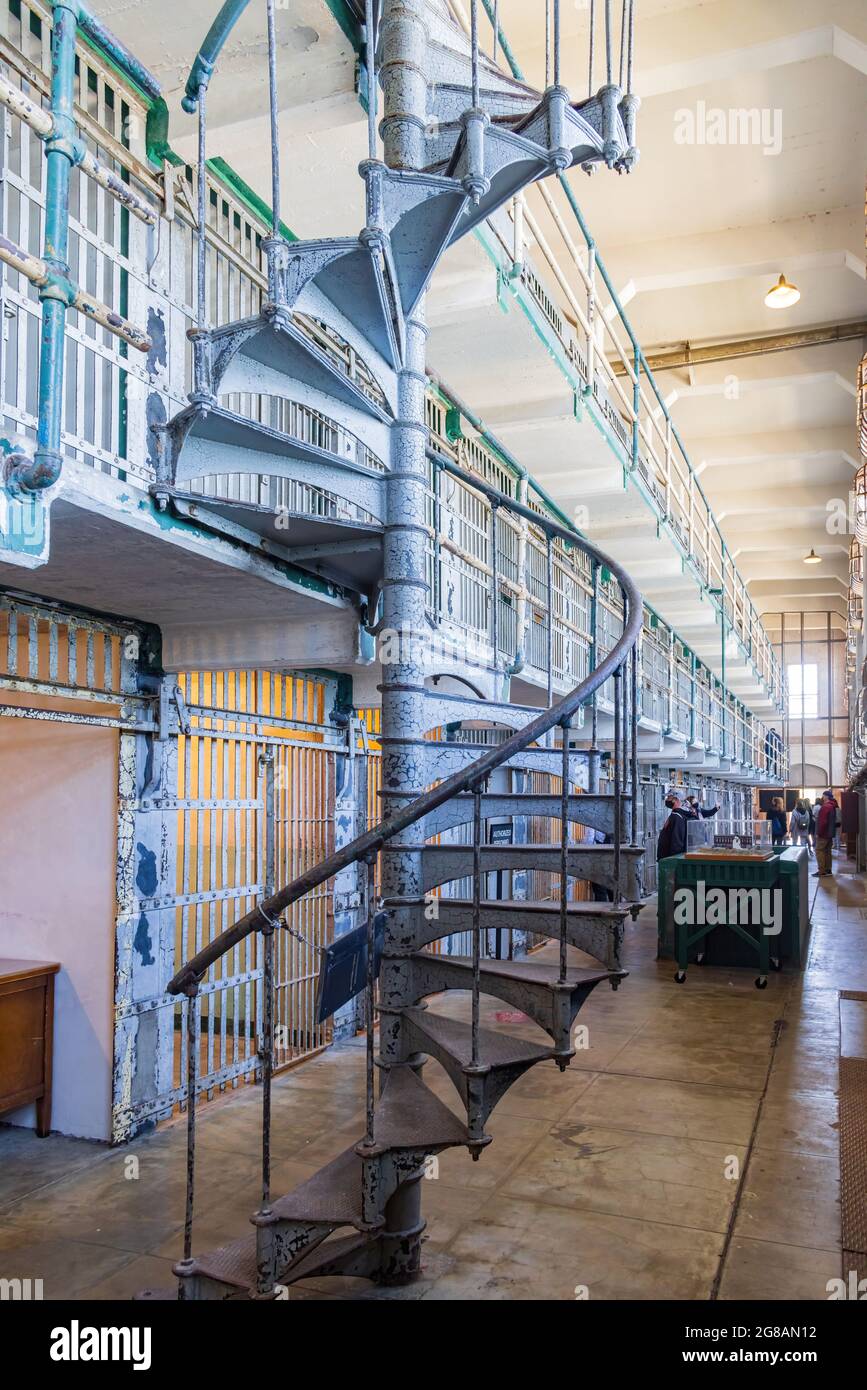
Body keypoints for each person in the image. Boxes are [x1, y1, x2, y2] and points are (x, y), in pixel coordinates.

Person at [656, 789, 691, 861]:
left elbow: (677, 841)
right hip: (666, 858)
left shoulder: (677, 816)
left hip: (670, 859)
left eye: (669, 797)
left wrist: (672, 860)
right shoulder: (675, 814)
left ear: (676, 799)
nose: (667, 800)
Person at [813, 790, 839, 878]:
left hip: (823, 833)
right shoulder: (833, 806)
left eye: (823, 796)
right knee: (827, 851)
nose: (822, 798)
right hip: (830, 833)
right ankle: (828, 869)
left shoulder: (825, 807)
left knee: (819, 850)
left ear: (826, 796)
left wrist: (818, 833)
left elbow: (822, 822)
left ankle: (821, 871)